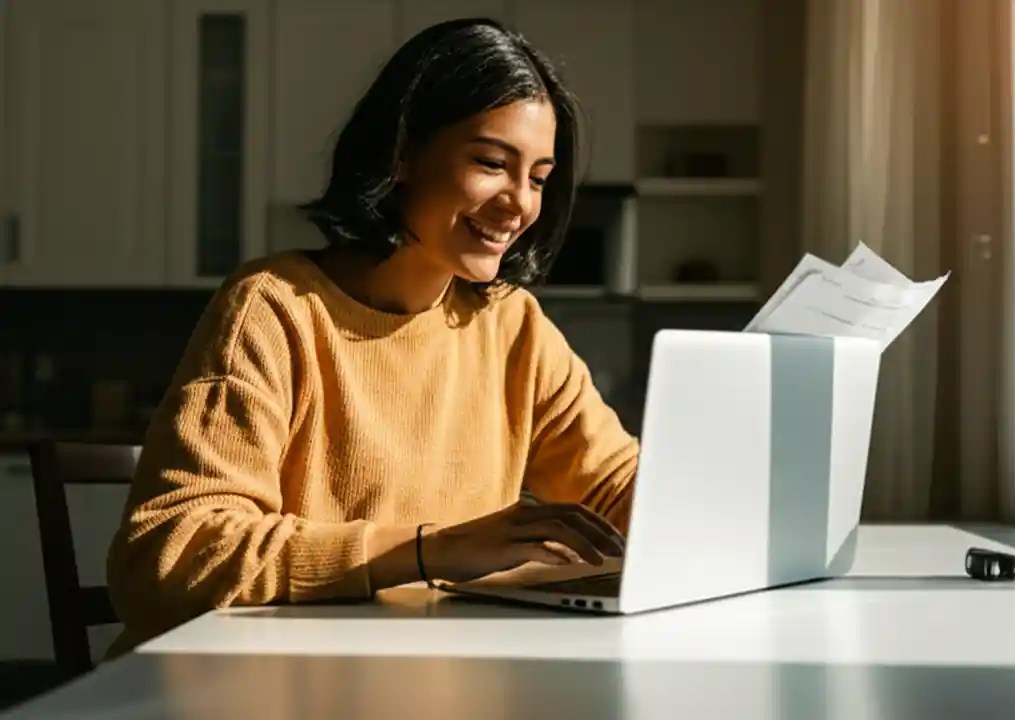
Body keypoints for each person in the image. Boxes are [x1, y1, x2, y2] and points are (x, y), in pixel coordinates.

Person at [105, 18, 636, 654]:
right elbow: (171, 554)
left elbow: (616, 485)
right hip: (261, 684)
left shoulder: (510, 324)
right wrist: (428, 550)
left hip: (423, 676)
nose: (519, 204)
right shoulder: (277, 308)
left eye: (540, 178)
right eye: (492, 163)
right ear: (402, 153)